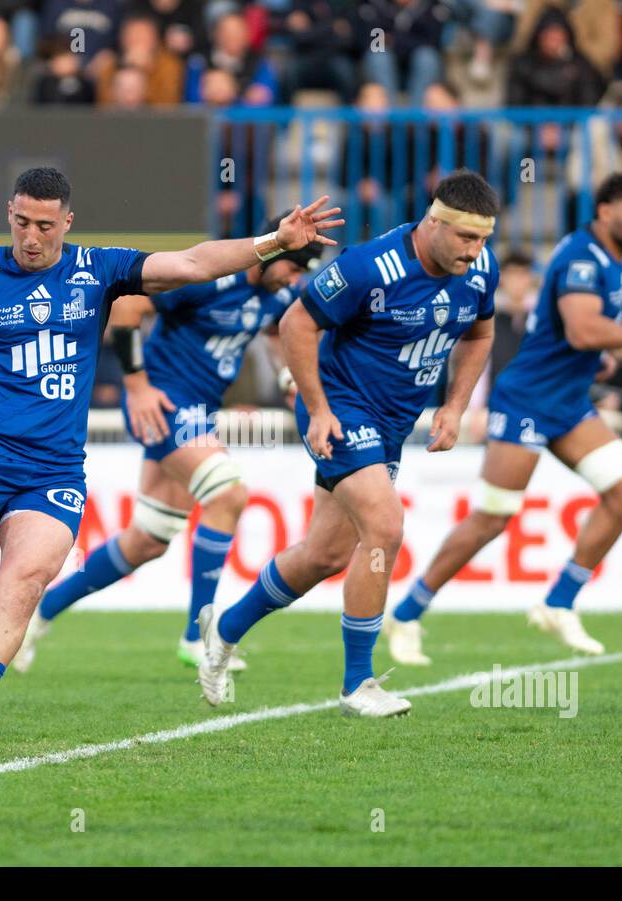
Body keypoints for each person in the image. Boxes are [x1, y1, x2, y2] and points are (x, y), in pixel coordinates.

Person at [0, 167, 341, 759]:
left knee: (24, 584)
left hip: (54, 471)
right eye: (21, 223)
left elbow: (190, 263)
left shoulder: (98, 269)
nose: (31, 237)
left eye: (44, 225)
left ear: (67, 222)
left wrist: (271, 243)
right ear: (10, 213)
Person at [196, 170, 501, 718]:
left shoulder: (479, 271)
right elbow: (296, 324)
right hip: (340, 409)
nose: (475, 251)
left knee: (324, 554)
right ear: (434, 222)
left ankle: (224, 630)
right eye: (465, 238)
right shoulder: (368, 266)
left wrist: (454, 405)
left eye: (483, 240)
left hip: (391, 423)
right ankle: (358, 684)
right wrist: (316, 409)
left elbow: (481, 333)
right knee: (385, 526)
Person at [384, 173, 622, 663]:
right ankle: (407, 613)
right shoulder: (581, 257)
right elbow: (584, 329)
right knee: (492, 518)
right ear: (604, 209)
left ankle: (558, 602)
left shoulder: (611, 262)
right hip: (527, 401)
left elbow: (580, 340)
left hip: (567, 403)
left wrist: (602, 358)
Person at [19, 215, 320, 673]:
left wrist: (286, 375)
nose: (296, 281)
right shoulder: (211, 281)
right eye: (294, 268)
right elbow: (126, 309)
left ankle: (39, 612)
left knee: (148, 540)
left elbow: (285, 334)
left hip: (197, 414)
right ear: (272, 253)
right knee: (228, 494)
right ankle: (198, 635)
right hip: (160, 405)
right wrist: (136, 385)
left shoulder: (277, 293)